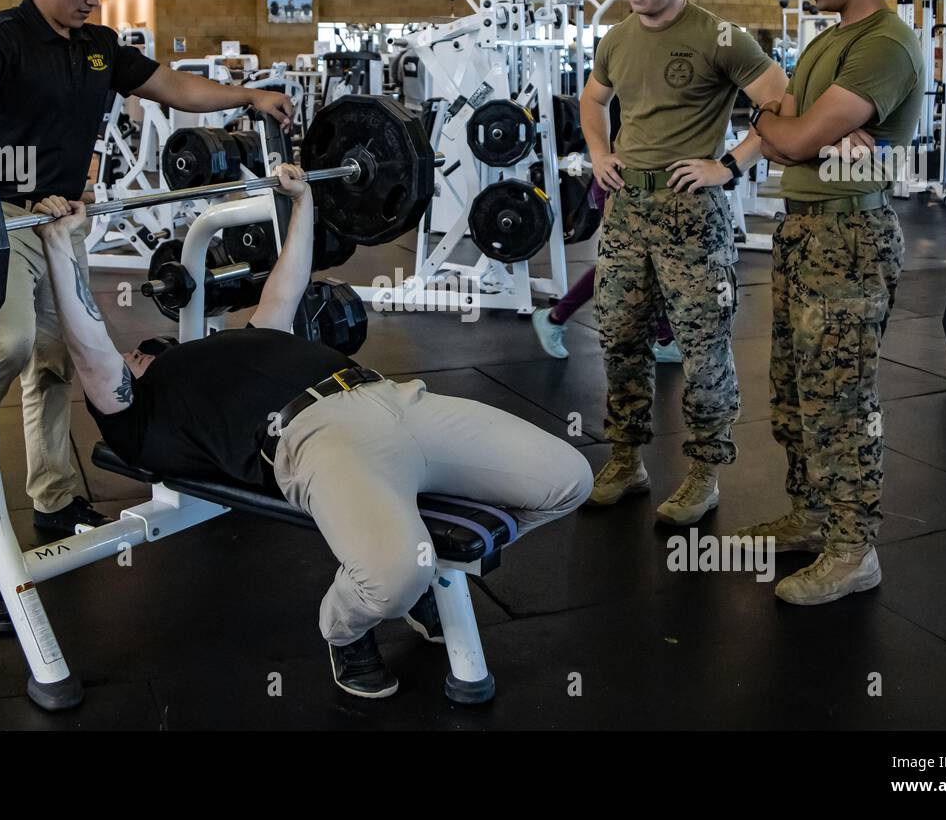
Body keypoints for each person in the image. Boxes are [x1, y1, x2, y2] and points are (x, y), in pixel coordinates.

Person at [30, 168, 593, 700]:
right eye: (131, 354)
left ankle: (416, 562)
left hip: (394, 397)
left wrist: (303, 203)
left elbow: (286, 285)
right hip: (315, 439)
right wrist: (58, 245)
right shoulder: (136, 412)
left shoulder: (242, 339)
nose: (137, 351)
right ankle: (347, 629)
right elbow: (89, 345)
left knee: (569, 479)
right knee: (393, 577)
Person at [0, 0, 295, 535]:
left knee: (57, 363)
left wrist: (248, 95)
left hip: (63, 220)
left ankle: (53, 501)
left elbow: (173, 86)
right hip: (0, 217)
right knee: (9, 342)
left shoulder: (100, 46)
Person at [737, 0, 922, 605]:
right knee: (794, 392)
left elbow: (790, 137)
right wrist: (790, 130)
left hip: (848, 239)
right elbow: (791, 136)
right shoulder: (827, 41)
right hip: (801, 231)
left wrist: (772, 122)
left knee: (839, 399)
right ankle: (812, 516)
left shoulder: (885, 44)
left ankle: (853, 550)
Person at [581, 0, 788, 523]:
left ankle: (704, 474)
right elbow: (592, 100)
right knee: (619, 338)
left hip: (691, 213)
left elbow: (781, 100)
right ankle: (626, 460)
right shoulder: (617, 37)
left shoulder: (719, 36)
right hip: (627, 211)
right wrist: (599, 153)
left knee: (702, 348)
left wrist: (729, 165)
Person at [531, 179, 682, 363]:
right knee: (621, 263)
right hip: (620, 185)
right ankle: (553, 318)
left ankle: (664, 338)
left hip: (653, 189)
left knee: (657, 259)